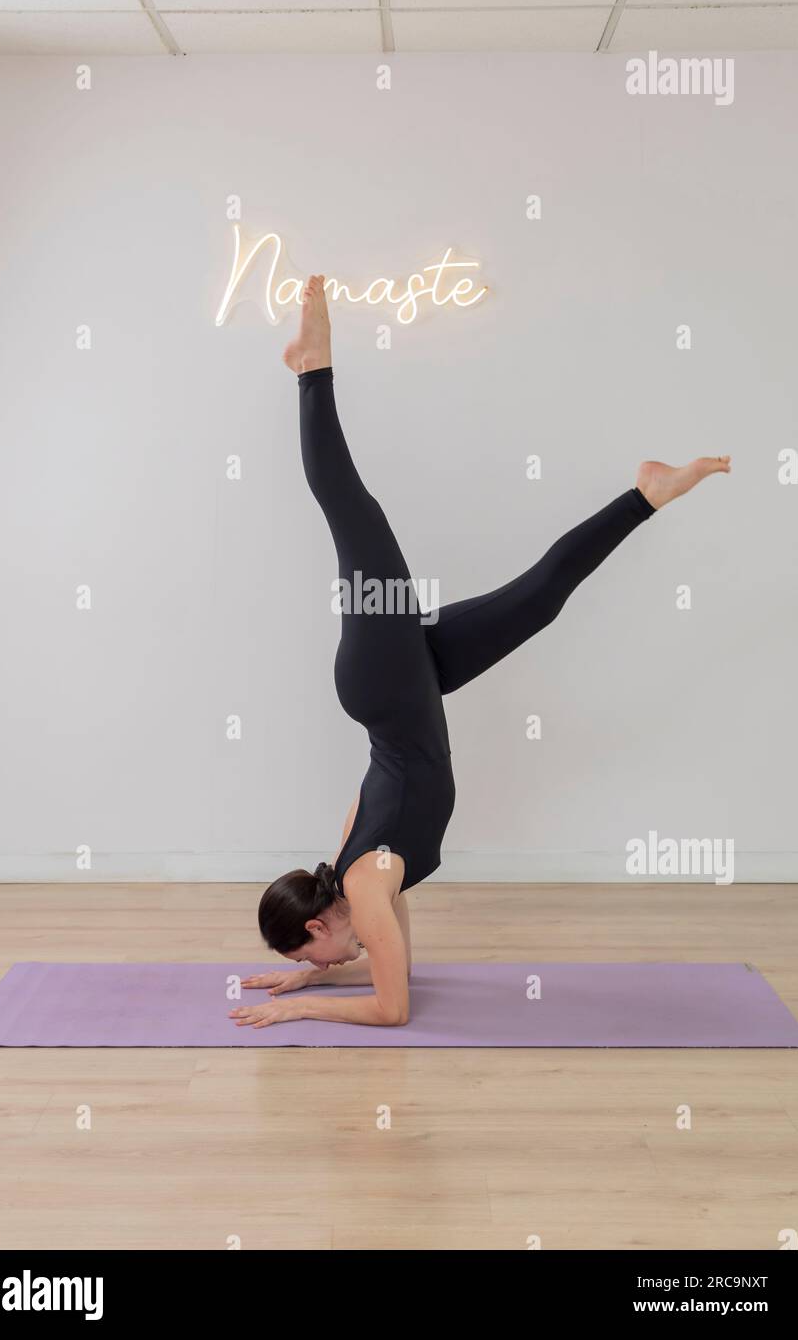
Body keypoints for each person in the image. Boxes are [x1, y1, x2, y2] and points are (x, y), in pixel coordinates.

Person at [229, 276, 730, 1030]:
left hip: (387, 685)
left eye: (307, 960)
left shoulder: (363, 891)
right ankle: (647, 494)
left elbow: (393, 1009)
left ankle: (314, 365)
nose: (323, 968)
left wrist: (307, 1011)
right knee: (539, 600)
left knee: (354, 513)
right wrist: (315, 986)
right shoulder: (357, 879)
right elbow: (391, 968)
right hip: (409, 689)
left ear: (316, 927)